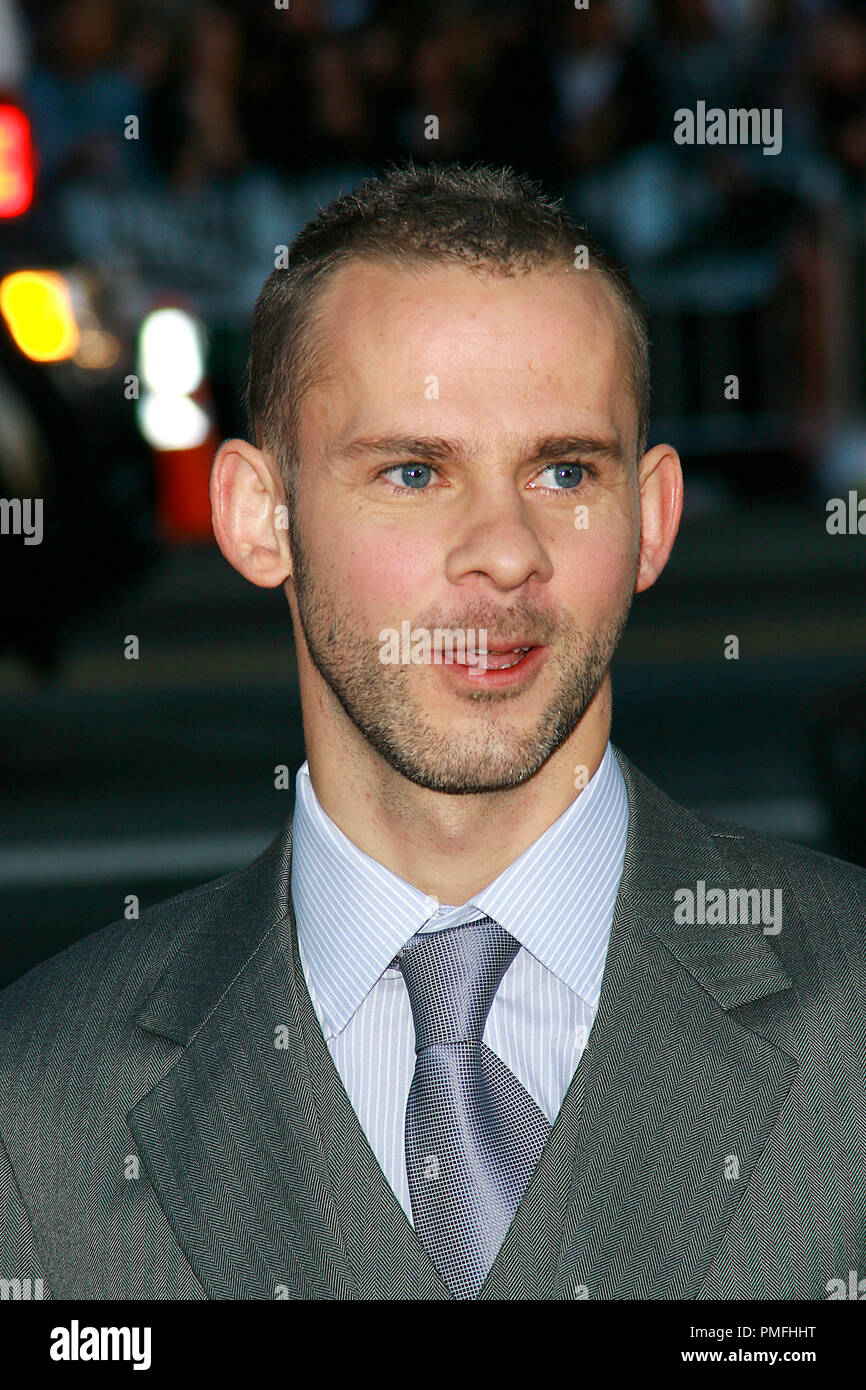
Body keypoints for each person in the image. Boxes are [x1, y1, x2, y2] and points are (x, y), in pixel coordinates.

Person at [1, 160, 864, 1301]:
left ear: (652, 519)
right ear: (260, 517)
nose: (505, 550)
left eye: (563, 470)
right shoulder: (35, 1102)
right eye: (413, 472)